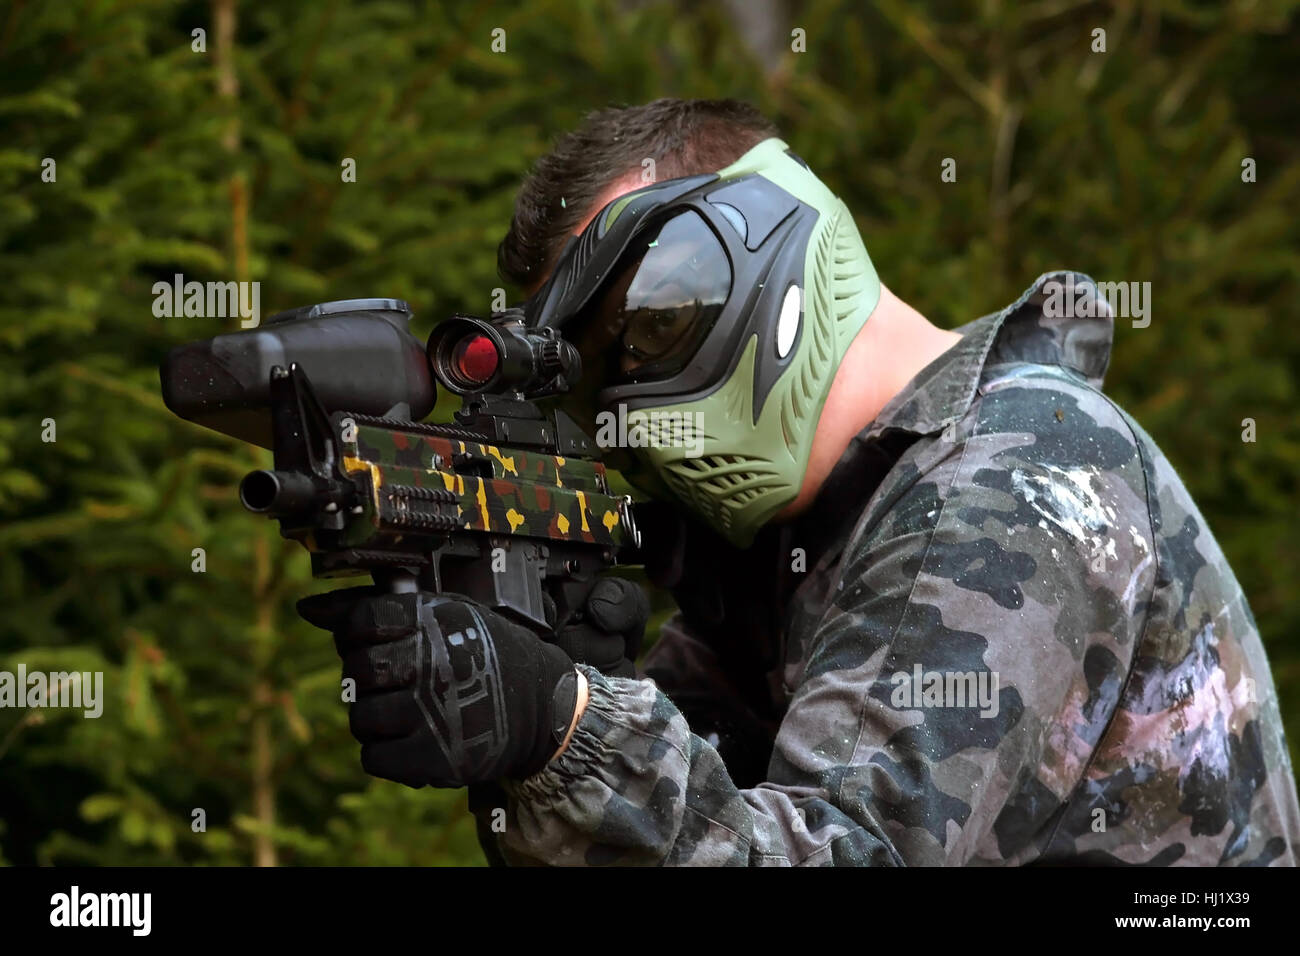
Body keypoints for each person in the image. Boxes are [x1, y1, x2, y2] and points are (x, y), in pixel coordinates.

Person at [298, 98, 1300, 866]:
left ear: (769, 231)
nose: (631, 406)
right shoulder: (820, 535)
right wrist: (549, 708)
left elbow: (839, 850)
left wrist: (564, 722)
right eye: (593, 376)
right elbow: (713, 821)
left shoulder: (1007, 474)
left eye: (646, 324)